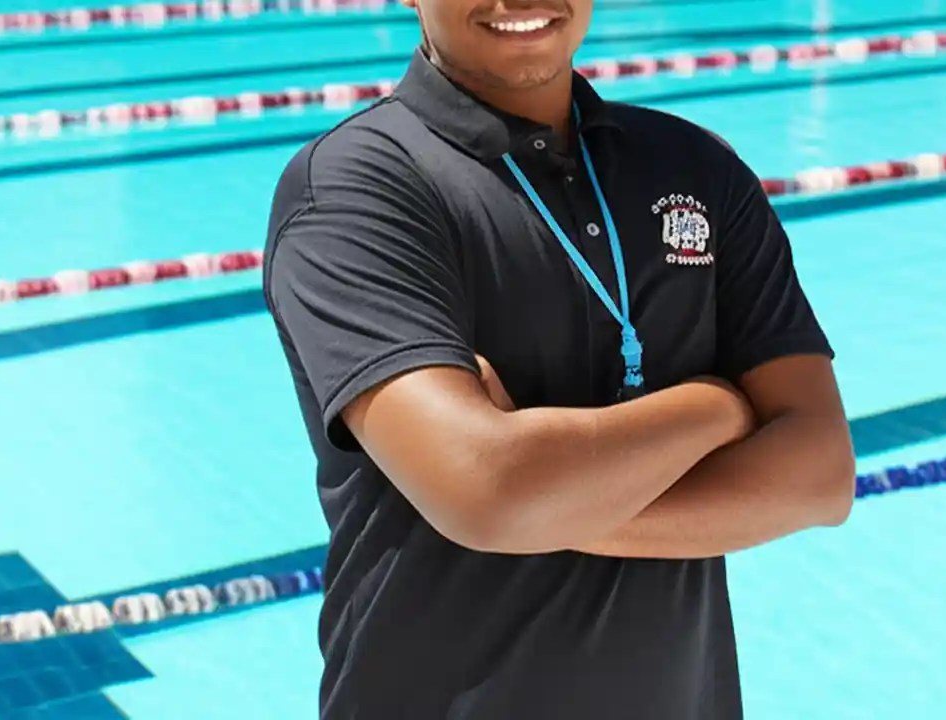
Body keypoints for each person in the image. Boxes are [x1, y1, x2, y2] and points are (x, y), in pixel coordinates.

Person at [263, 0, 855, 716]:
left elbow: (821, 474)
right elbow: (490, 492)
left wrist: (541, 503)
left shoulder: (696, 169)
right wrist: (719, 406)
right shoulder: (356, 189)